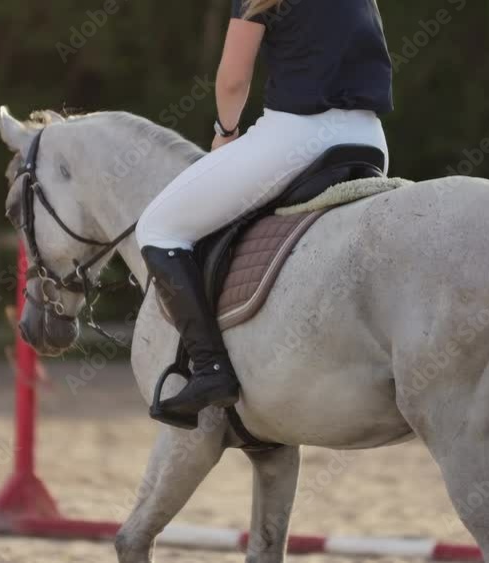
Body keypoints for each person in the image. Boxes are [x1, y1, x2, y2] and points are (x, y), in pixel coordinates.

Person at [135, 0, 393, 427]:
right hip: (369, 139)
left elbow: (235, 81)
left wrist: (225, 133)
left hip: (297, 136)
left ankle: (210, 369)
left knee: (158, 228)